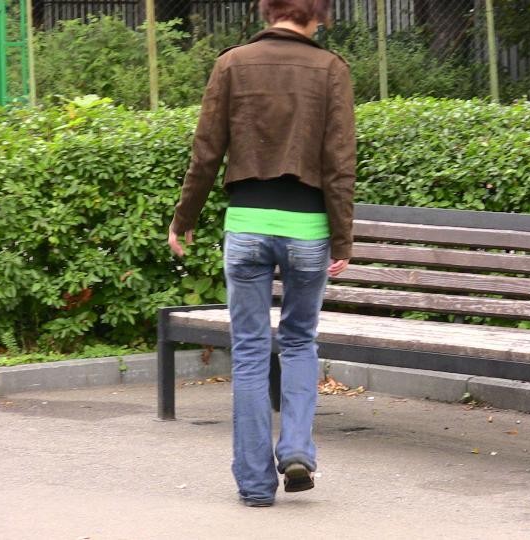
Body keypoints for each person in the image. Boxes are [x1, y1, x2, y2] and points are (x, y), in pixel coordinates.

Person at [167, 0, 355, 508]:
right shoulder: (331, 69)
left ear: (266, 9)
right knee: (298, 341)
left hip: (246, 226)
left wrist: (183, 219)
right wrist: (342, 238)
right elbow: (340, 162)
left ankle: (254, 485)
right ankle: (295, 448)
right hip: (308, 230)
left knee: (249, 351)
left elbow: (206, 152)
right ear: (319, 15)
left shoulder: (231, 64)